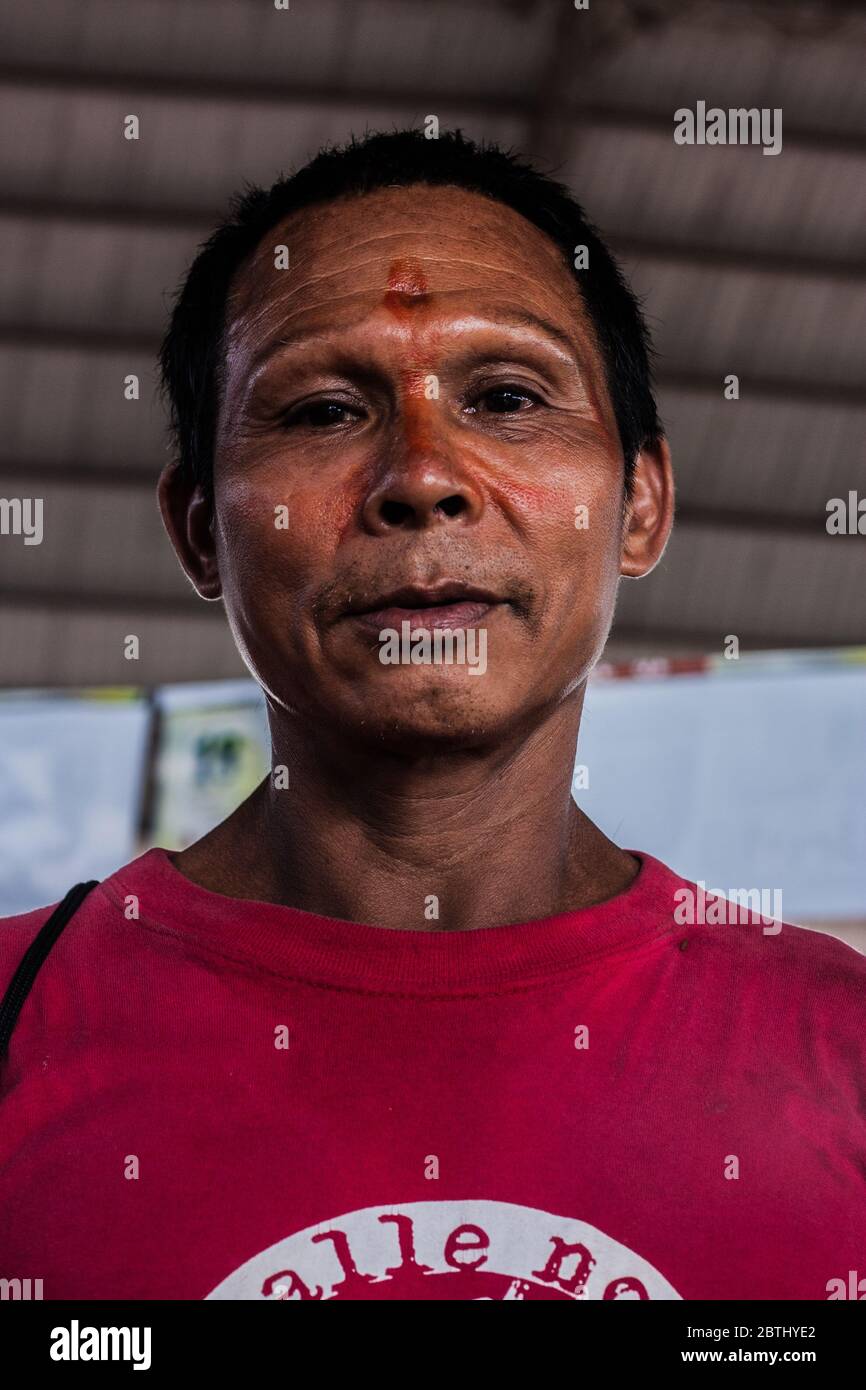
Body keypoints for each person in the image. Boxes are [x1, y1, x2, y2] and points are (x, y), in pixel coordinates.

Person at [1, 130, 863, 1302]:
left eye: (506, 397)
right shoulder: (21, 1025)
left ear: (640, 505)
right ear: (201, 529)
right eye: (316, 411)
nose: (420, 474)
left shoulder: (838, 1055)